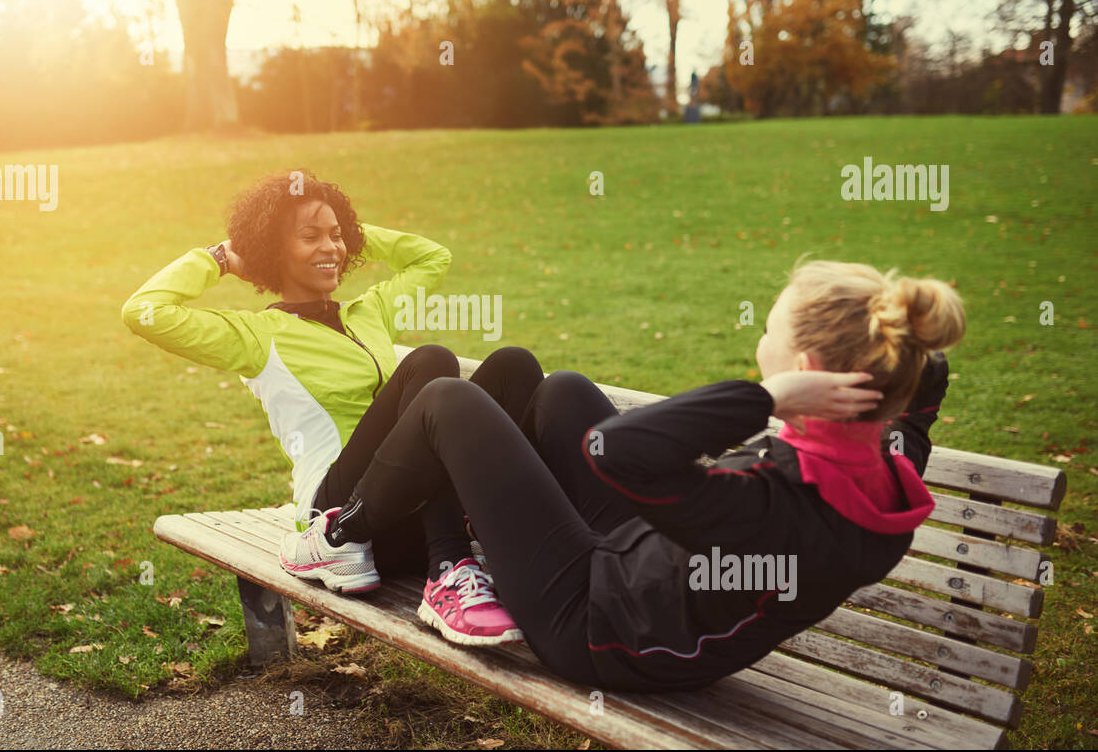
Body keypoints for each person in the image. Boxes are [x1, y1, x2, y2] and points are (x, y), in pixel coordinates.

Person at [298, 258, 966, 686]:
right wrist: (897, 347)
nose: (760, 343)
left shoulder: (773, 507)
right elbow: (921, 398)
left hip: (597, 624)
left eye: (770, 332)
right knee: (558, 391)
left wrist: (767, 397)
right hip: (649, 576)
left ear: (808, 375)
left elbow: (616, 452)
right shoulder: (884, 466)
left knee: (448, 400)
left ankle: (340, 534)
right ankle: (463, 536)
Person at [122, 169, 543, 646]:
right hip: (342, 522)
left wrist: (351, 234)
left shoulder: (369, 312)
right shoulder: (255, 337)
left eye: (337, 236)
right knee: (433, 361)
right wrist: (220, 258)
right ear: (272, 250)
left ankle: (490, 547)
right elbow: (143, 311)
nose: (331, 248)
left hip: (410, 516)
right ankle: (448, 568)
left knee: (513, 366)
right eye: (309, 237)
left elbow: (431, 257)